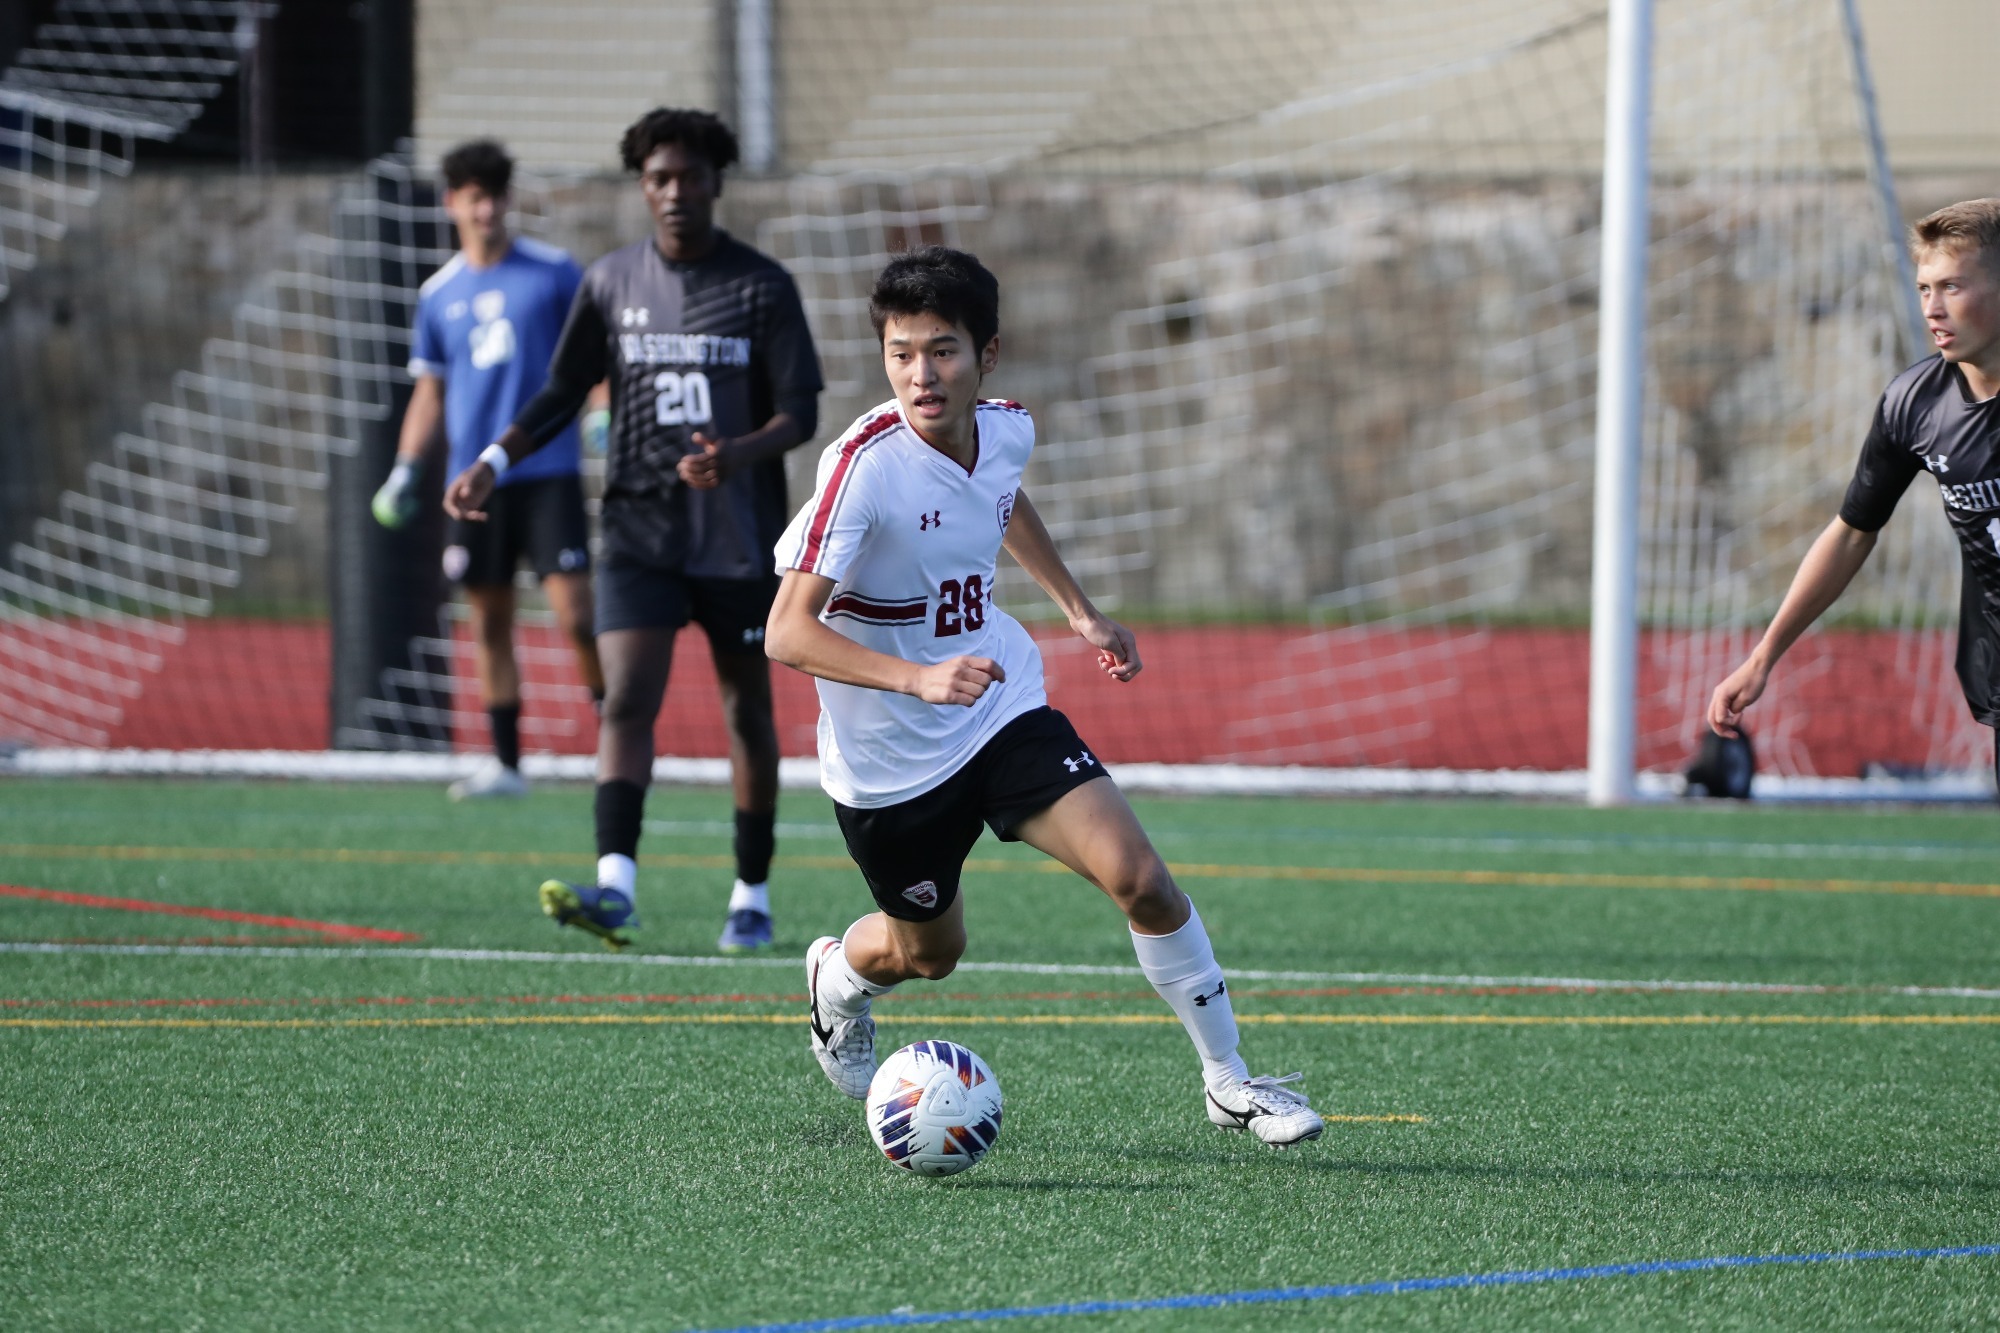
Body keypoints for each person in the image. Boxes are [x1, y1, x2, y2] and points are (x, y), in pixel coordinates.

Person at [765, 246, 1325, 1148]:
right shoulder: (863, 469)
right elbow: (786, 632)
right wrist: (918, 677)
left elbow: (1000, 496)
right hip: (891, 764)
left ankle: (1229, 1080)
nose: (921, 374)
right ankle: (838, 975)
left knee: (1140, 878)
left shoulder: (1008, 427)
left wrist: (1080, 612)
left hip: (999, 707)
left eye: (942, 350)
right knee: (927, 955)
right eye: (901, 353)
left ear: (989, 353)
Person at [445, 109, 823, 953]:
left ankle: (751, 894)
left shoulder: (761, 285)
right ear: (642, 187)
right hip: (639, 534)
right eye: (659, 178)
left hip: (735, 534)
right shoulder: (611, 283)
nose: (676, 192)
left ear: (716, 181)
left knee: (745, 709)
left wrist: (737, 453)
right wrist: (491, 461)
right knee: (625, 701)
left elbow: (799, 412)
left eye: (690, 175)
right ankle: (615, 885)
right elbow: (558, 392)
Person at [1710, 198, 2000, 793]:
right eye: (1924, 288)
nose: (1933, 308)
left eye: (1952, 286)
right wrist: (1765, 654)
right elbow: (1851, 531)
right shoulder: (1914, 405)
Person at [372, 139, 604, 801]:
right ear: (452, 203)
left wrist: (600, 410)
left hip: (549, 470)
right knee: (489, 620)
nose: (487, 208)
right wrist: (405, 468)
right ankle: (506, 764)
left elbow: (593, 360)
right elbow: (431, 390)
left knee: (577, 615)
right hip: (476, 483)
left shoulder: (555, 273)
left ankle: (617, 738)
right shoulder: (438, 294)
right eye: (474, 195)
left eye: (496, 194)